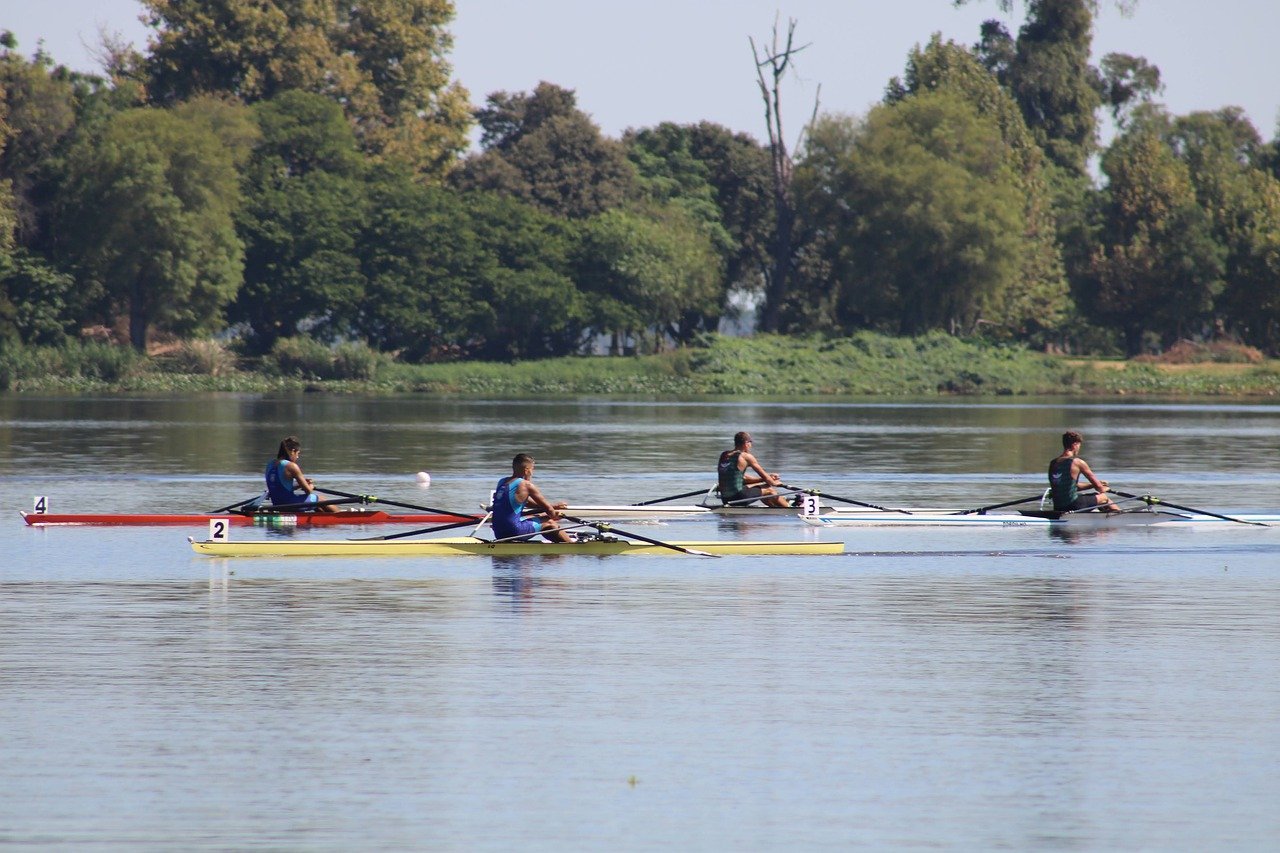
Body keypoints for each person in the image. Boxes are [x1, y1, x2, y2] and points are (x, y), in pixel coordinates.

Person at [491, 453, 571, 542]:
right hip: (513, 531)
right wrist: (554, 514)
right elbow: (550, 511)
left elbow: (527, 502)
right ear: (527, 470)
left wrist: (554, 506)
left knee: (537, 516)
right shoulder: (527, 485)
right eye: (532, 469)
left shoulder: (502, 482)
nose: (533, 472)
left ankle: (555, 549)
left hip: (498, 532)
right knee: (549, 521)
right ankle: (572, 546)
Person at [1048, 430, 1119, 513]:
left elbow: (1072, 487)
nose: (1079, 448)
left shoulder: (1053, 463)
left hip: (1058, 506)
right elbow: (1099, 488)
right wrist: (1104, 487)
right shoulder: (1078, 462)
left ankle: (1105, 519)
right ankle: (1120, 517)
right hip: (1073, 505)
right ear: (1075, 445)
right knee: (1103, 497)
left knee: (1093, 498)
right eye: (1079, 445)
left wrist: (1092, 485)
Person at [716, 431, 792, 508]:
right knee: (769, 489)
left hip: (725, 499)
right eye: (750, 442)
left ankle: (775, 508)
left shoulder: (724, 455)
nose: (751, 445)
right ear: (746, 443)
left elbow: (743, 478)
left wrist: (763, 479)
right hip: (737, 498)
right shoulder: (746, 457)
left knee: (759, 487)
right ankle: (789, 508)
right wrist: (774, 482)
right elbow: (767, 479)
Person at [264, 436, 338, 512]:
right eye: (297, 453)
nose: (297, 457)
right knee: (321, 499)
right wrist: (311, 486)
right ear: (292, 451)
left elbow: (280, 487)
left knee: (316, 504)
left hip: (277, 505)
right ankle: (340, 516)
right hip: (290, 504)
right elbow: (308, 491)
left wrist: (300, 484)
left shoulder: (270, 464)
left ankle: (324, 519)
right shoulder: (291, 466)